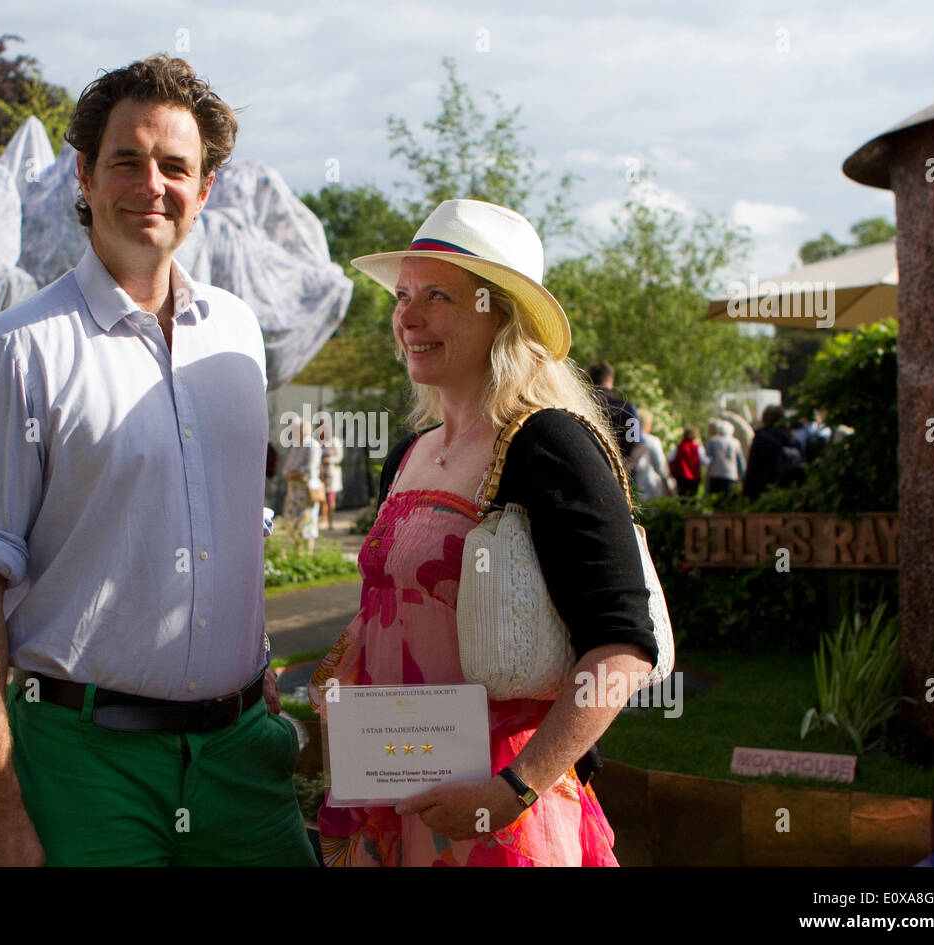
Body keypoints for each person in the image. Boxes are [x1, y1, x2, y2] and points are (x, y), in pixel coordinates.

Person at [0, 55, 315, 867]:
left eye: (176, 166)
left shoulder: (238, 338)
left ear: (205, 191)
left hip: (241, 757)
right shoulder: (17, 351)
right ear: (86, 177)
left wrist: (251, 655)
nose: (152, 184)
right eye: (127, 160)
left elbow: (228, 528)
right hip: (82, 765)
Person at [307, 199, 658, 867]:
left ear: (499, 313)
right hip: (397, 785)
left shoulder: (548, 443)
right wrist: (341, 664)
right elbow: (398, 604)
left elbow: (621, 649)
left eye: (437, 296)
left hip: (502, 816)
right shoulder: (411, 451)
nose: (406, 317)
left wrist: (513, 790)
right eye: (403, 295)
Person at [744, 405, 807, 500]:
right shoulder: (791, 439)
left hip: (762, 489)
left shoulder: (761, 438)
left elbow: (753, 467)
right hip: (788, 489)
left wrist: (746, 492)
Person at [282, 418, 323, 555]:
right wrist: (288, 474)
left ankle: (307, 555)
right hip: (293, 490)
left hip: (306, 490)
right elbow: (287, 467)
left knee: (307, 521)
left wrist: (295, 474)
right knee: (293, 522)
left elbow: (311, 468)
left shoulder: (312, 445)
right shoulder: (296, 445)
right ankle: (296, 553)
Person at [587, 361, 642, 462]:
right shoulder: (626, 408)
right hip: (618, 466)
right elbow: (636, 442)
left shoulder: (581, 405)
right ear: (610, 380)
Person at [628, 408, 672, 502]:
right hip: (650, 488)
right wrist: (668, 489)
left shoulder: (630, 441)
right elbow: (661, 468)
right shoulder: (652, 441)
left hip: (632, 488)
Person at [704, 421, 745, 496]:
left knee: (715, 499)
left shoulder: (713, 441)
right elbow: (740, 461)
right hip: (731, 475)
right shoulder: (736, 443)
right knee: (727, 498)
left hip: (715, 474)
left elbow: (707, 457)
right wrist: (742, 475)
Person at [318, 417, 344, 530]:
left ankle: (331, 521)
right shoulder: (321, 443)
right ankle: (323, 520)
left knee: (331, 498)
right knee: (322, 497)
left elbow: (339, 457)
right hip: (322, 473)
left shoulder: (335, 442)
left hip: (332, 472)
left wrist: (328, 460)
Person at [669, 427, 703, 496]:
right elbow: (704, 460)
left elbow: (670, 459)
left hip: (680, 476)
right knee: (692, 498)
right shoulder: (698, 447)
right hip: (694, 477)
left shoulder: (678, 446)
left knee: (682, 497)